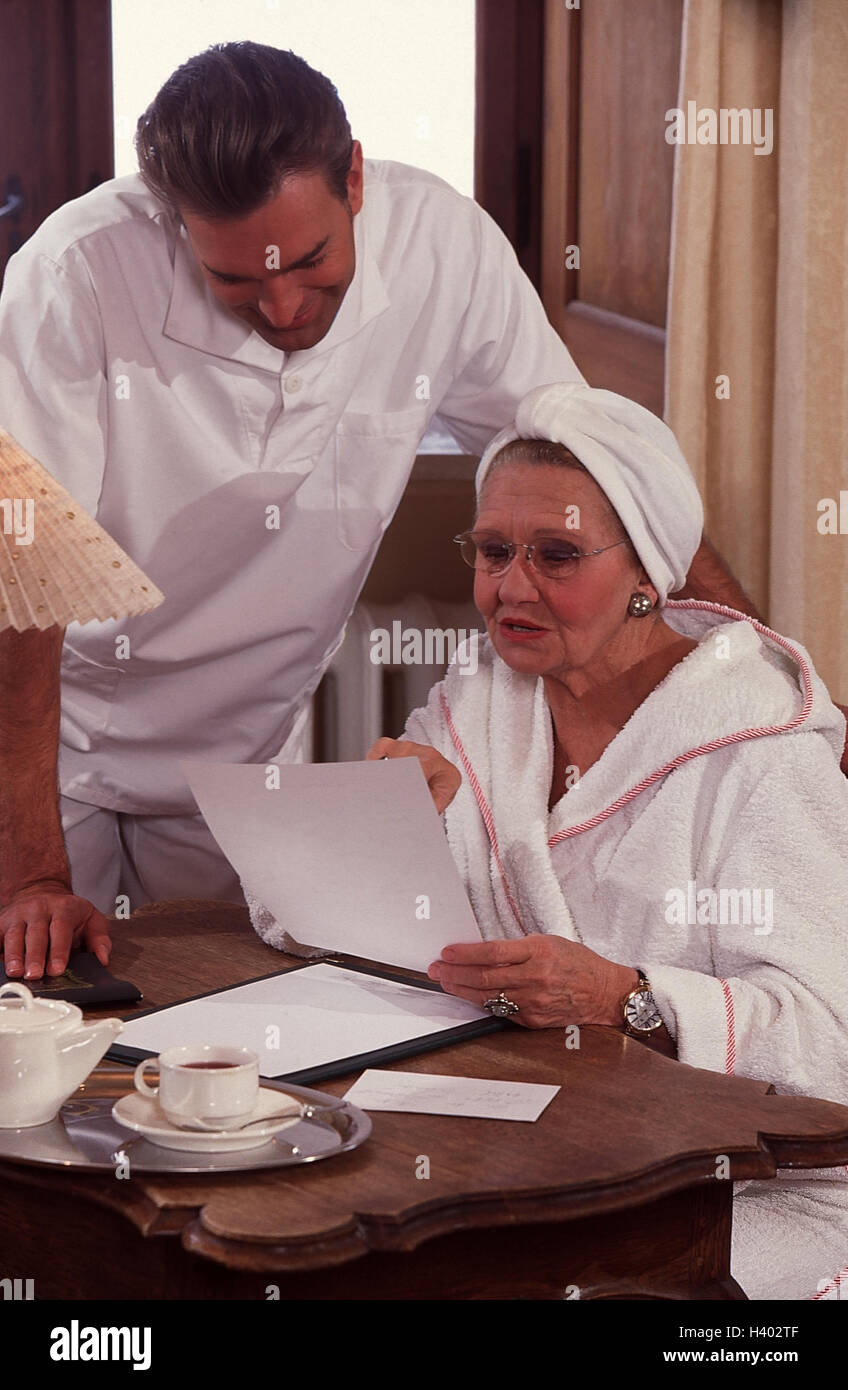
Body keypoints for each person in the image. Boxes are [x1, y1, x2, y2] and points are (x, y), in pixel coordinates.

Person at [0, 41, 755, 980]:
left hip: (236, 754)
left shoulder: (444, 248)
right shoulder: (74, 277)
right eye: (234, 280)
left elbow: (597, 476)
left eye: (312, 261)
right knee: (35, 1034)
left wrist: (757, 669)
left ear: (352, 176)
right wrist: (31, 870)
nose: (281, 308)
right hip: (41, 734)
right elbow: (20, 574)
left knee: (201, 1037)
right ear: (172, 222)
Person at [362, 381, 848, 1301]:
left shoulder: (760, 754)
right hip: (553, 1148)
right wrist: (377, 829)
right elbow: (360, 936)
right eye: (494, 551)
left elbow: (831, 1042)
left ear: (647, 577)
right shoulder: (477, 707)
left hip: (761, 1186)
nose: (511, 587)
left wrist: (629, 997)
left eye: (556, 555)